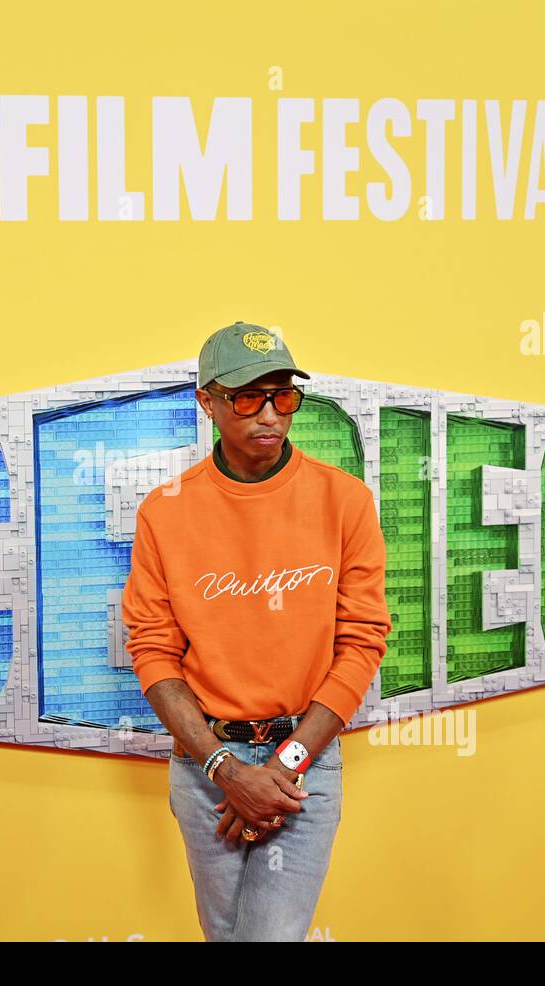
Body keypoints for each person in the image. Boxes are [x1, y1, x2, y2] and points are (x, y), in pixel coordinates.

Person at [121, 320, 393, 941]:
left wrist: (285, 765)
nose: (269, 413)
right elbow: (155, 654)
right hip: (206, 769)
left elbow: (362, 640)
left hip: (303, 762)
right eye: (247, 397)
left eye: (283, 395)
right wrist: (226, 771)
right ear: (208, 402)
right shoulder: (165, 512)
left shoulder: (344, 500)